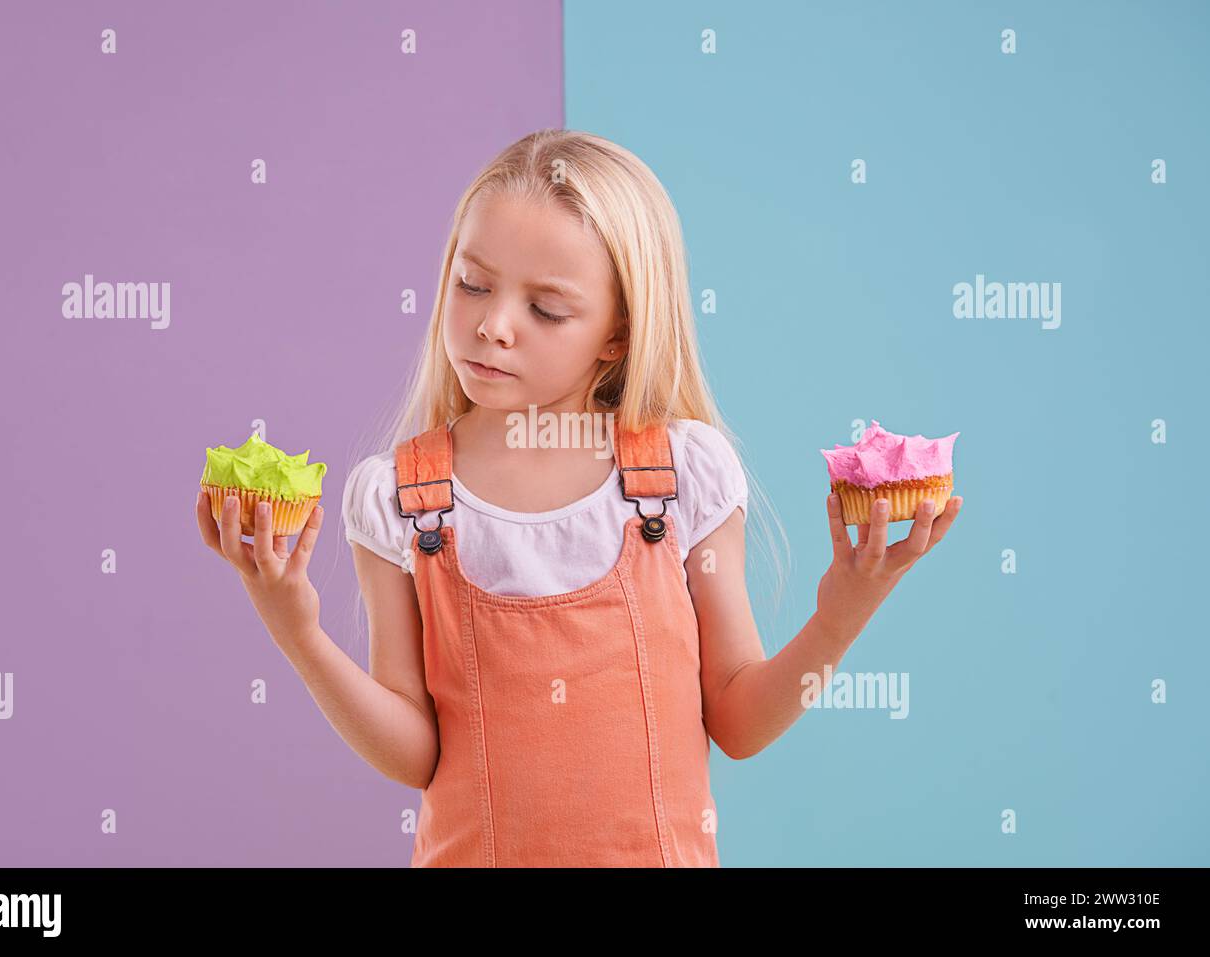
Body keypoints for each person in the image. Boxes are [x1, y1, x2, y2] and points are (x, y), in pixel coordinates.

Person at [196, 129, 963, 867]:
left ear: (617, 335)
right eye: (472, 284)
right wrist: (296, 629)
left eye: (546, 309)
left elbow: (737, 718)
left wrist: (845, 610)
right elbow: (415, 754)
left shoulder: (682, 474)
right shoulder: (399, 499)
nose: (493, 325)